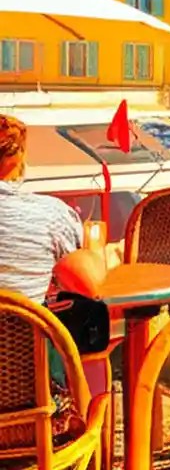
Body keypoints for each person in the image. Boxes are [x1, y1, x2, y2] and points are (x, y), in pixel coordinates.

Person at [0, 114, 108, 353]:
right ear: (18, 159)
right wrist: (94, 246)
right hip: (25, 366)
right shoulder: (51, 214)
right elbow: (90, 284)